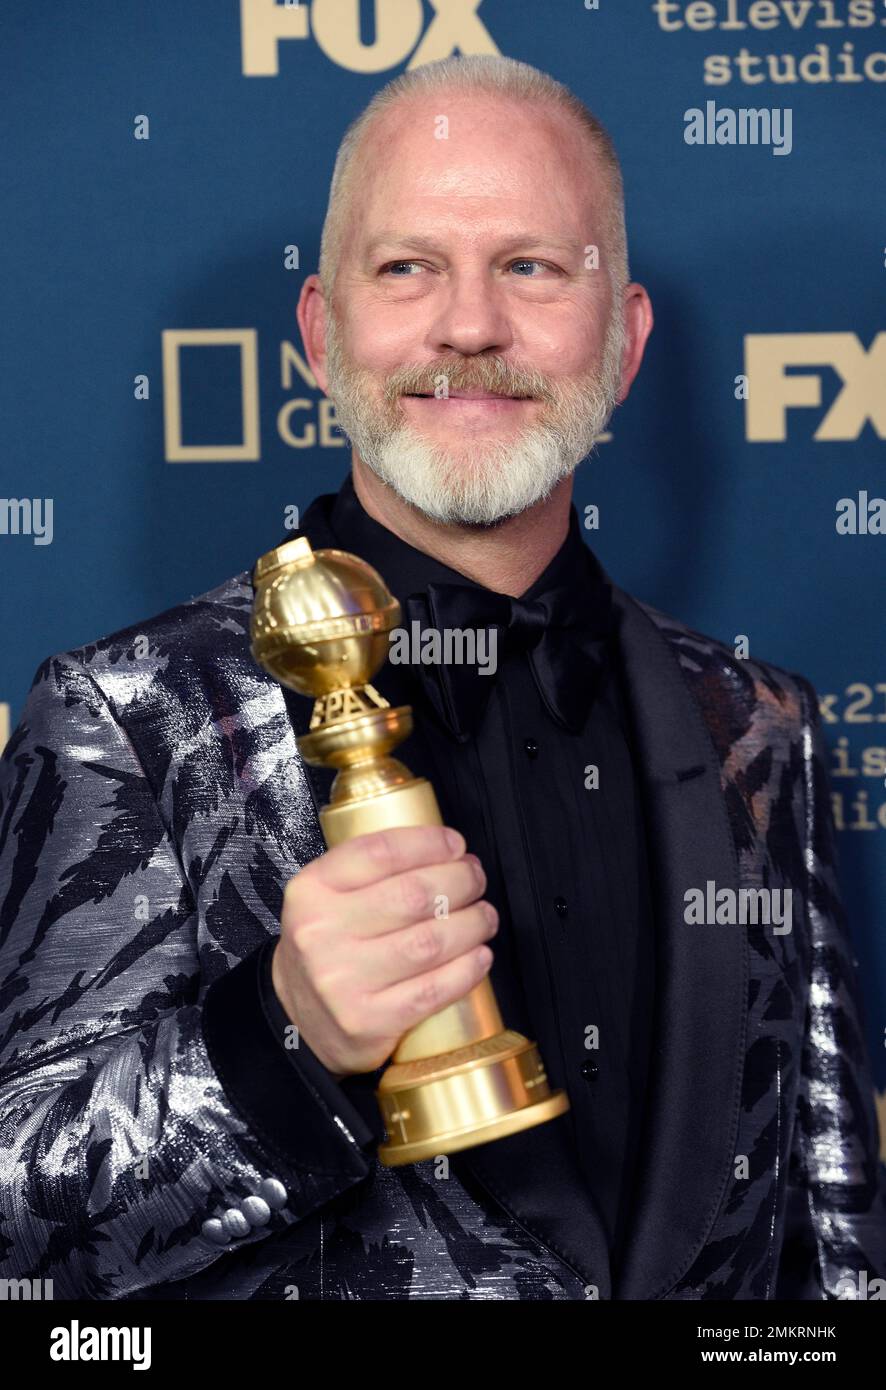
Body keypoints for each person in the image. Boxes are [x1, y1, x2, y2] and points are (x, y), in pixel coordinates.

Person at [0, 55, 883, 1302]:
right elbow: (22, 1223)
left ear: (623, 339)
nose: (470, 327)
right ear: (321, 332)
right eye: (407, 266)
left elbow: (831, 1226)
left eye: (531, 265)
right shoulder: (125, 715)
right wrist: (282, 1032)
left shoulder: (758, 723)